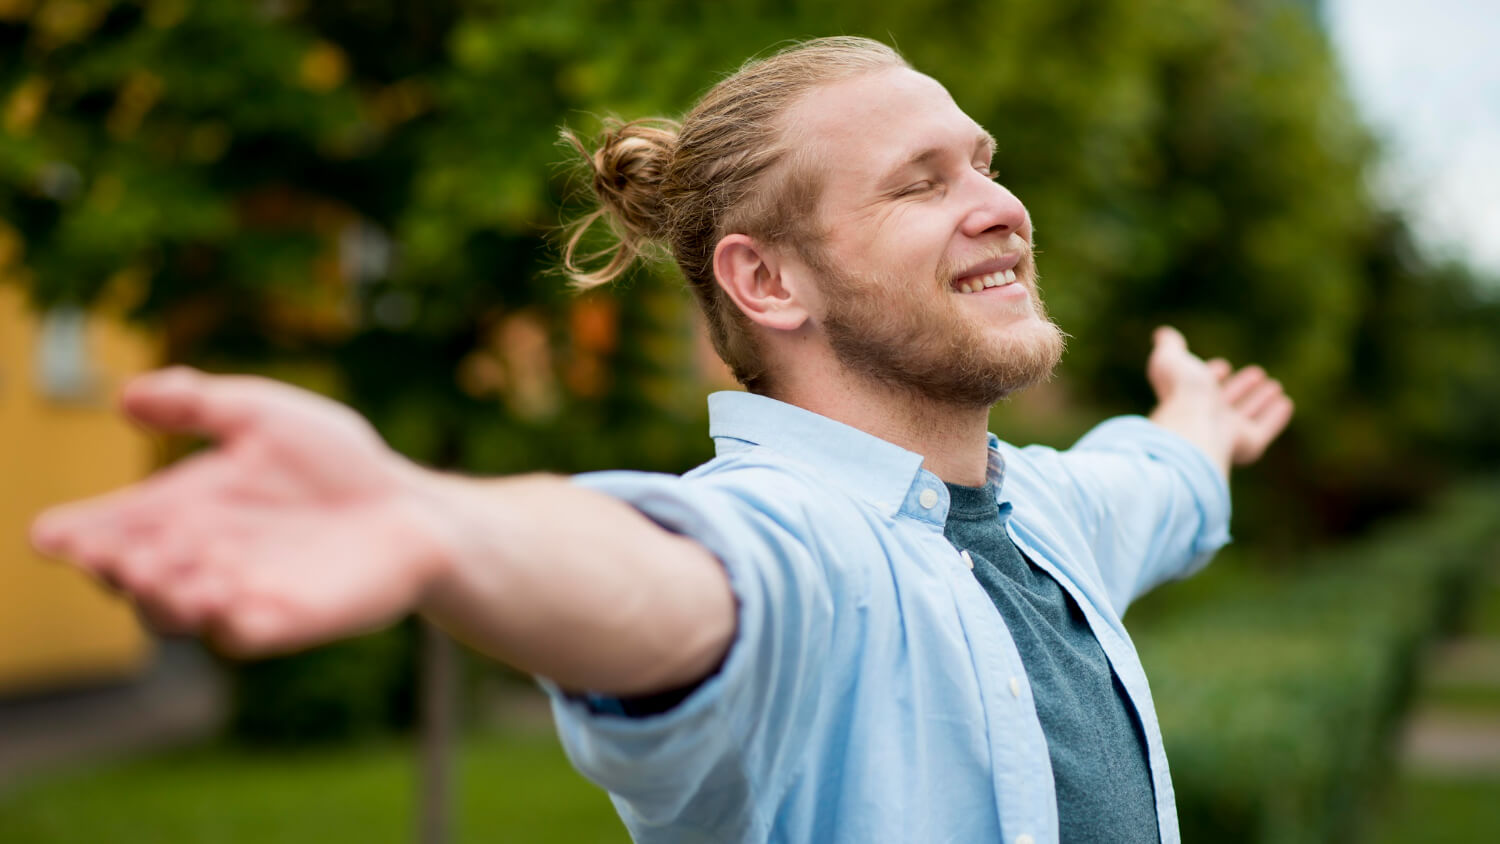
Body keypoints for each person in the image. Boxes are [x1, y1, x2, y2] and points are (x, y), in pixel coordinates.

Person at [31, 37, 1292, 844]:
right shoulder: (803, 544)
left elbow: (1153, 485)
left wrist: (1196, 425)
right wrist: (437, 523)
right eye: (923, 183)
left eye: (984, 165)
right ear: (767, 280)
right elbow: (678, 579)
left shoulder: (1044, 520)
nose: (1002, 209)